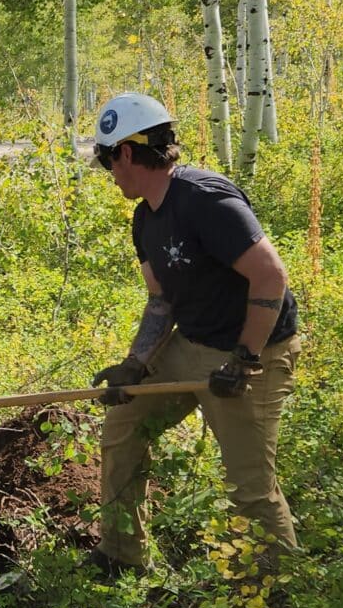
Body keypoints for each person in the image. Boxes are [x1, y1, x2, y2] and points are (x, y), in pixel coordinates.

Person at [91, 93, 300, 573]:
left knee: (250, 487)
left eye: (107, 161)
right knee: (123, 430)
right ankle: (121, 557)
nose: (110, 174)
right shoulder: (145, 217)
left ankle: (288, 598)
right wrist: (136, 364)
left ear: (124, 153)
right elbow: (161, 300)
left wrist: (245, 358)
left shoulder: (205, 200)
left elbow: (270, 277)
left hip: (258, 347)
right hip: (194, 343)